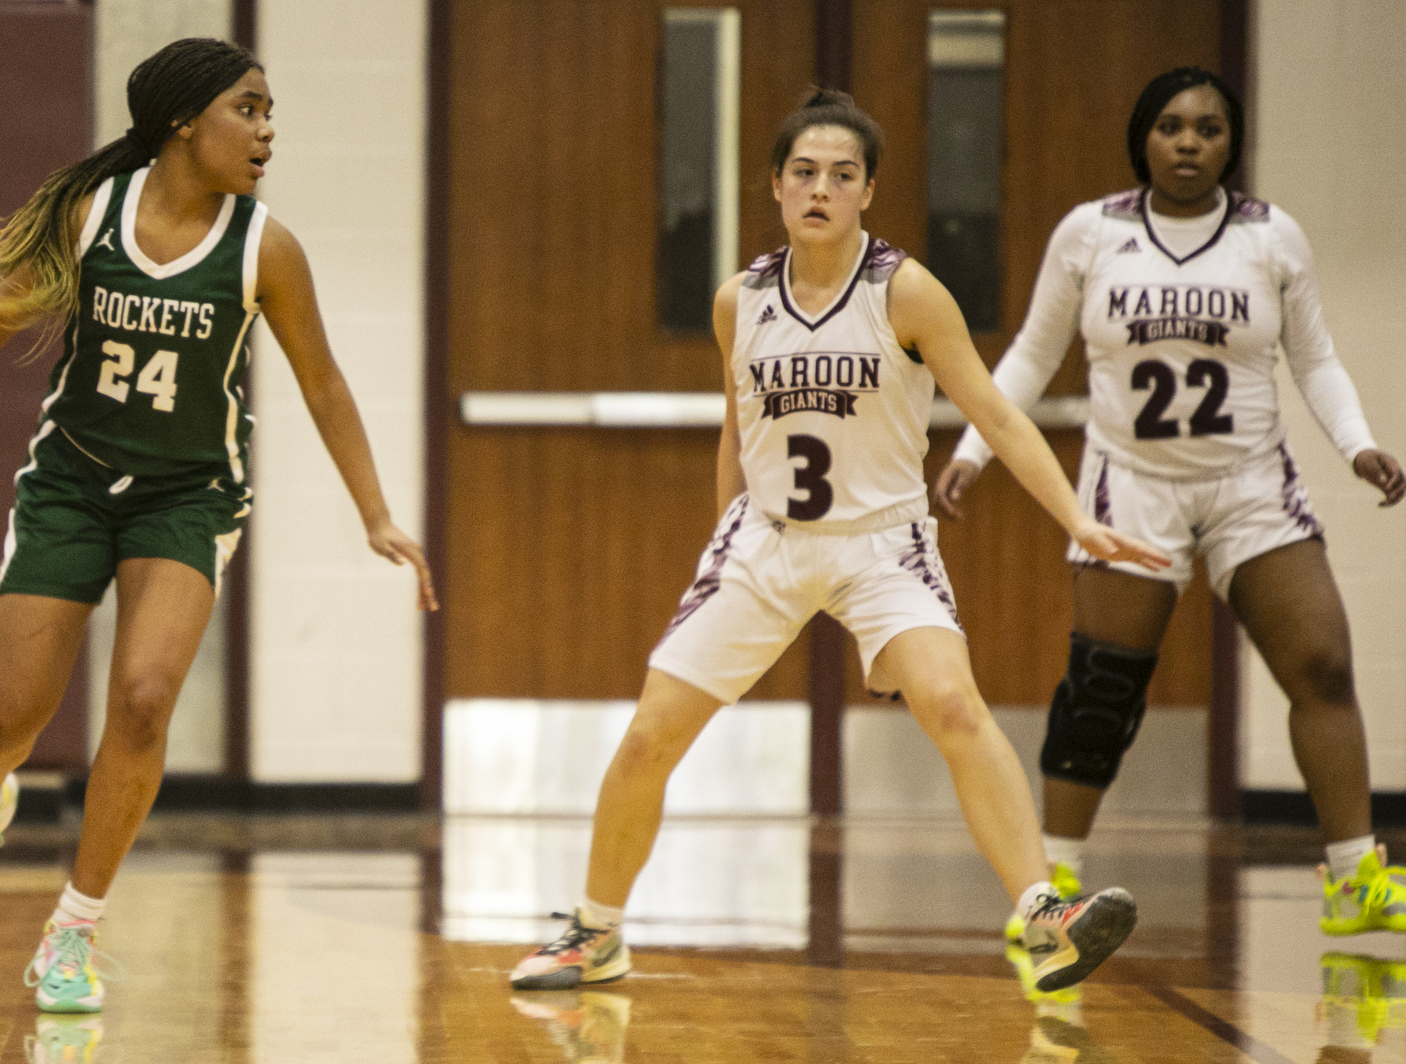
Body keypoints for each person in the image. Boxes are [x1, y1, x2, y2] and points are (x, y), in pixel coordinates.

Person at [509, 88, 1170, 995]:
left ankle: (1044, 914)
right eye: (805, 172)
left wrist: (1078, 518)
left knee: (953, 706)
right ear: (776, 187)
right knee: (650, 735)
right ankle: (595, 933)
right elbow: (735, 427)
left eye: (843, 175)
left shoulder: (906, 291)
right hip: (767, 540)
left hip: (881, 544)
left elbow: (998, 417)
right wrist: (724, 539)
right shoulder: (737, 300)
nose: (822, 188)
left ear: (868, 192)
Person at [0, 38, 435, 1013]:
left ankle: (72, 933)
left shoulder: (265, 247)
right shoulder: (91, 213)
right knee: (3, 718)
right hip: (71, 482)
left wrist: (377, 513)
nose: (267, 132)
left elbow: (324, 383)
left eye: (272, 115)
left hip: (187, 494)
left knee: (142, 699)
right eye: (249, 109)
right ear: (186, 119)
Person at [932, 67, 1406, 940]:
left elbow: (1317, 360)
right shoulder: (1092, 233)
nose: (1190, 143)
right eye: (1173, 127)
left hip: (1250, 485)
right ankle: (1051, 884)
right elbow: (1032, 355)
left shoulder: (1273, 238)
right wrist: (971, 452)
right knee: (1103, 689)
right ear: (1143, 137)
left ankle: (1354, 879)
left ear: (1232, 142)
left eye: (1210, 128)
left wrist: (1359, 443)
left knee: (1325, 664)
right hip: (1132, 485)